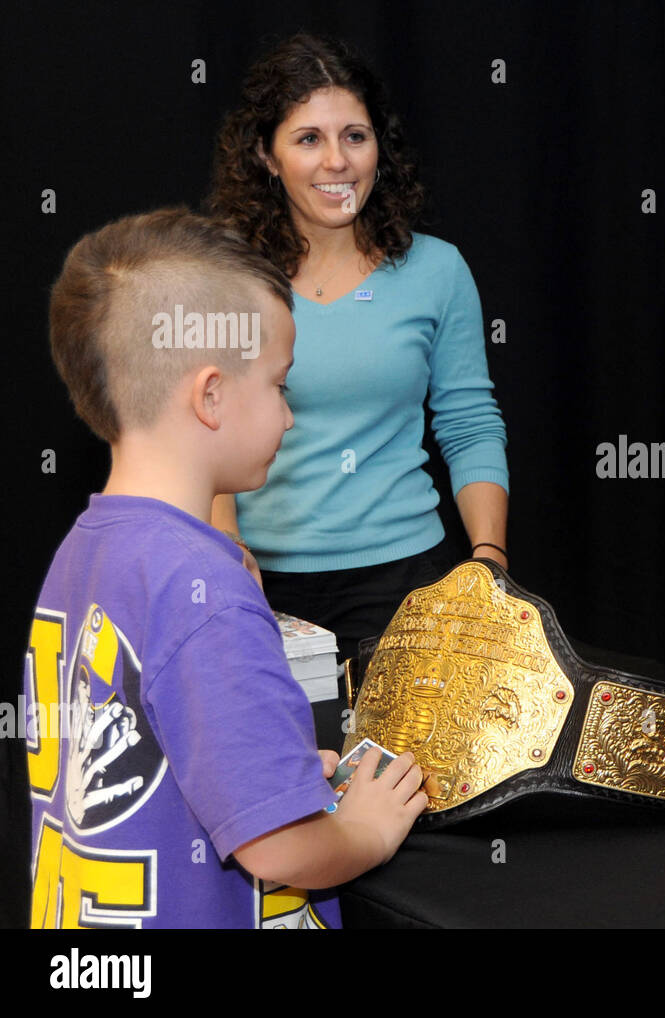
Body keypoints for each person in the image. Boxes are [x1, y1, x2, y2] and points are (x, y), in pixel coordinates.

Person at [28, 207, 427, 928]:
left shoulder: (85, 548)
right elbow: (277, 848)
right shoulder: (206, 591)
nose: (289, 417)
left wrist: (275, 773)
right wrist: (362, 830)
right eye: (279, 385)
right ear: (211, 395)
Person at [204, 33, 510, 694]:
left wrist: (488, 559)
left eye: (355, 136)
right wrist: (229, 552)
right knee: (287, 793)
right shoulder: (223, 274)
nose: (336, 162)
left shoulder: (438, 269)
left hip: (409, 585)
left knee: (408, 794)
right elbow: (206, 430)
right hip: (262, 588)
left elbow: (469, 421)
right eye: (308, 138)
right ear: (265, 154)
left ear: (381, 146)